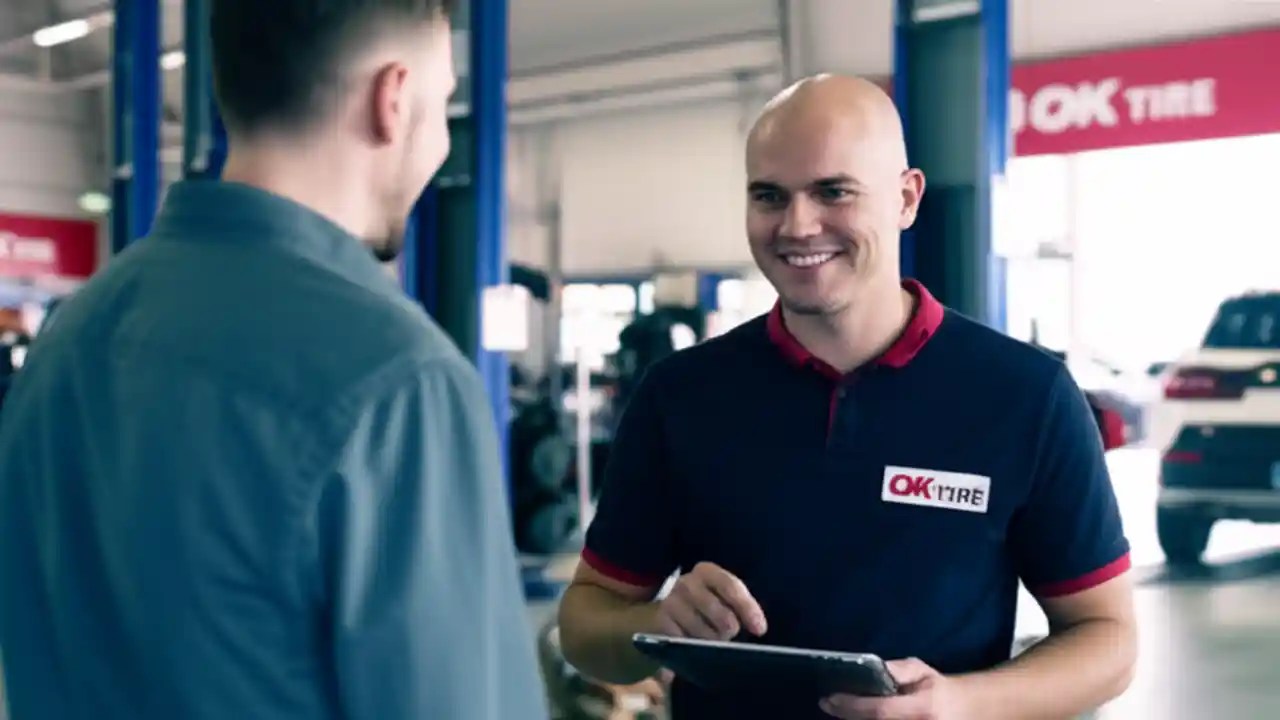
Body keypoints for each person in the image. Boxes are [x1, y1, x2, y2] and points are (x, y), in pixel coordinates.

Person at [0, 2, 547, 719]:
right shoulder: (398, 380)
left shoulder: (72, 338)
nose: (442, 140)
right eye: (442, 103)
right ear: (392, 99)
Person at [558, 75, 1137, 719]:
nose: (798, 225)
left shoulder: (1026, 397)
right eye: (769, 196)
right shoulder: (681, 396)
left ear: (906, 199)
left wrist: (961, 705)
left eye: (833, 192)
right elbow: (586, 622)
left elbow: (1107, 638)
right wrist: (656, 624)